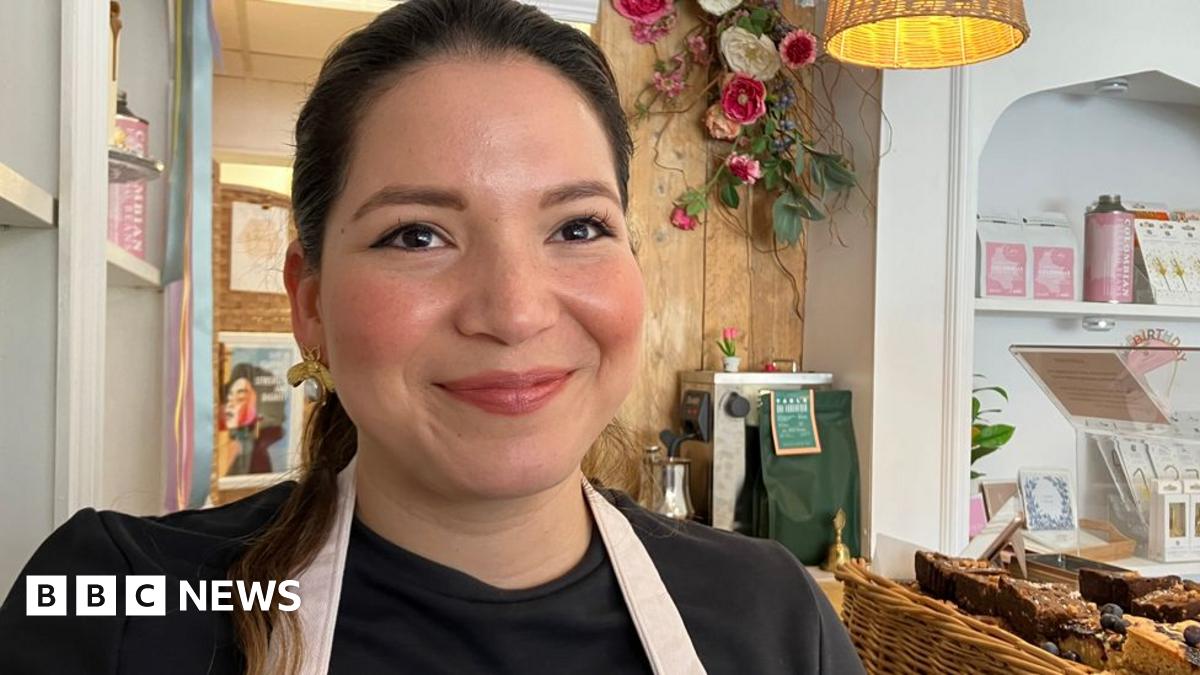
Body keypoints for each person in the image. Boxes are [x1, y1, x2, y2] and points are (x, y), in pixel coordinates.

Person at [0, 1, 865, 673]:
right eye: (416, 234)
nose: (516, 311)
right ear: (310, 305)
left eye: (576, 227)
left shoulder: (774, 617)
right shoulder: (118, 605)